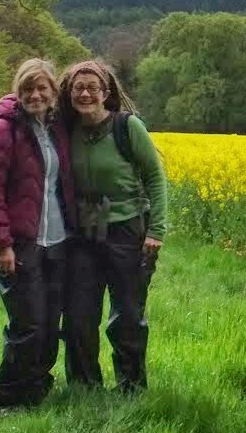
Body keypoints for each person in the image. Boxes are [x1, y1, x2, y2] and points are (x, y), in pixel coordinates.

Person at [55, 59, 167, 392]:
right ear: (69, 92)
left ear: (106, 92)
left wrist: (156, 231)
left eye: (92, 87)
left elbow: (156, 179)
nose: (85, 93)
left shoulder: (127, 127)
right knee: (78, 314)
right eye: (78, 87)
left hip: (126, 228)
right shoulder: (65, 129)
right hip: (83, 231)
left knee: (128, 315)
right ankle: (83, 386)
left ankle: (130, 387)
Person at [0, 58, 77, 409]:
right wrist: (0, 245)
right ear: (18, 92)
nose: (35, 95)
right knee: (27, 323)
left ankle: (36, 391)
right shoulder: (4, 130)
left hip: (57, 241)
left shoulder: (56, 128)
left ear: (52, 92)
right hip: (20, 243)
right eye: (28, 89)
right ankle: (9, 398)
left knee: (49, 323)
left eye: (42, 88)